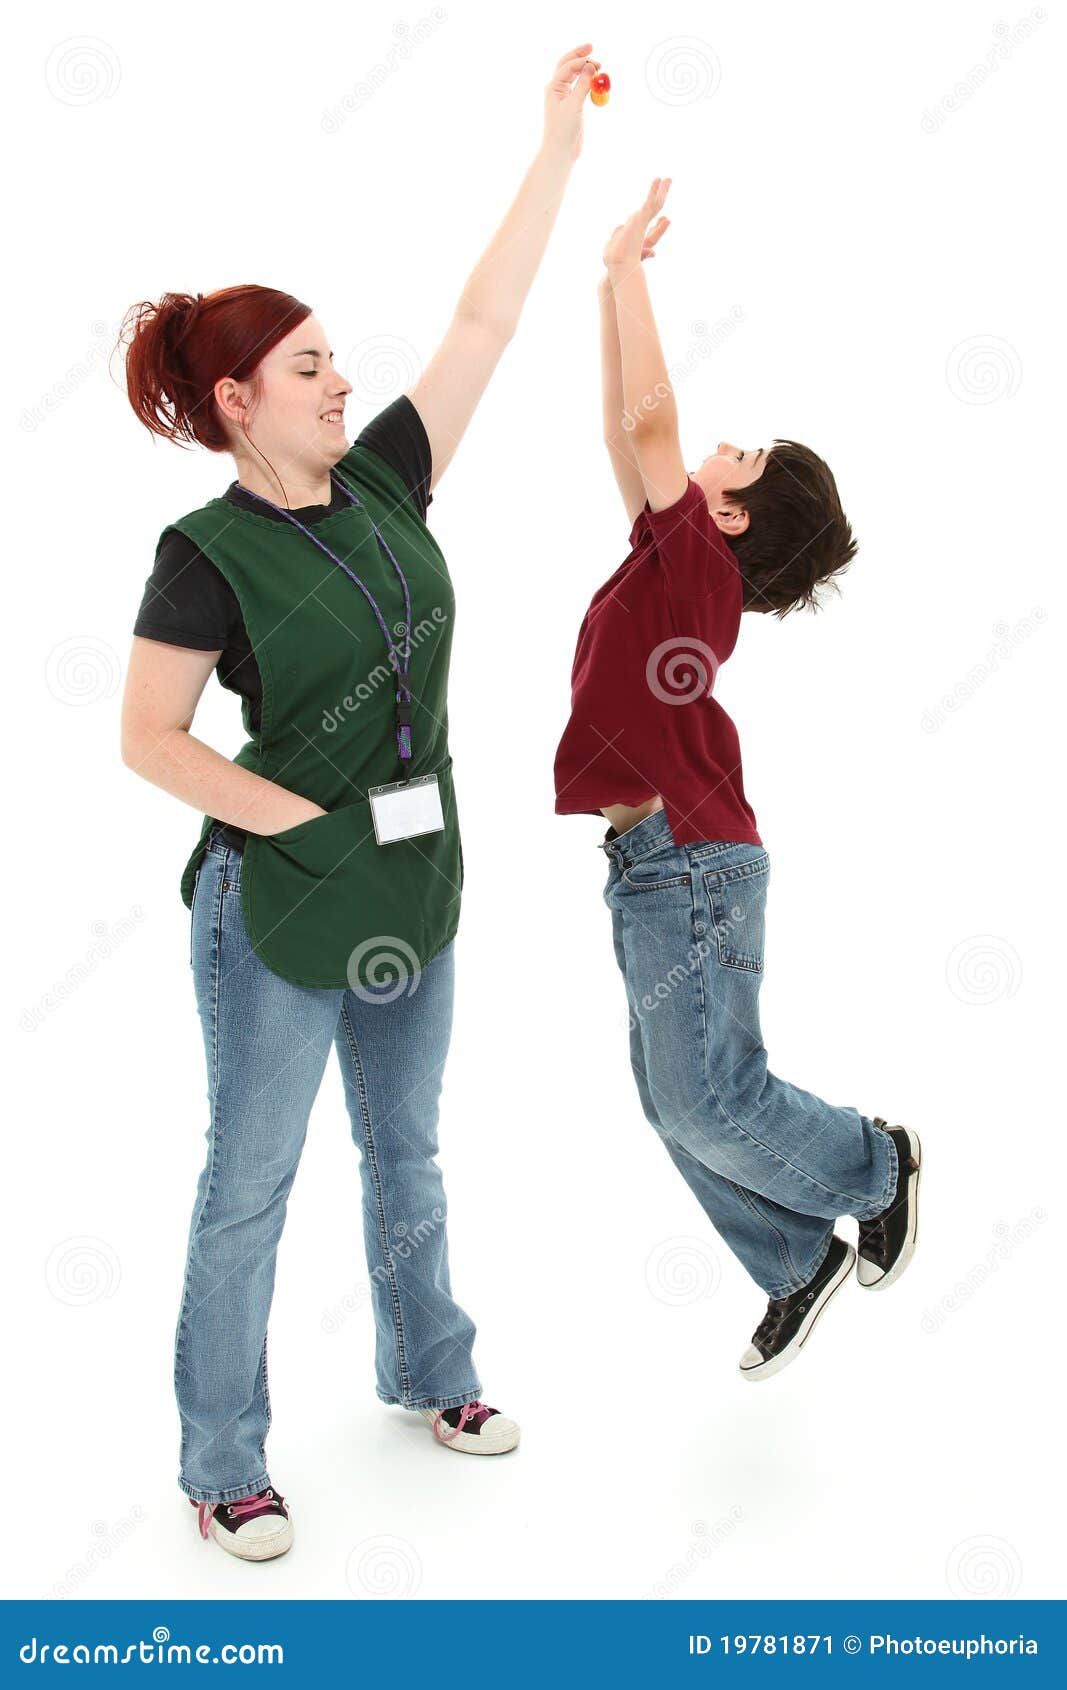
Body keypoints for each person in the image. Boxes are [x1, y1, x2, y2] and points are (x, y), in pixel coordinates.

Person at [118, 41, 604, 1560]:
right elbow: (149, 737)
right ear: (236, 401)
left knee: (408, 1147)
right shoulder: (204, 548)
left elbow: (481, 319)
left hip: (414, 882)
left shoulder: (385, 480)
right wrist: (299, 830)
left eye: (336, 360)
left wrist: (552, 156)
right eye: (311, 366)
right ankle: (222, 1466)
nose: (342, 381)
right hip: (272, 902)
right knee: (248, 1183)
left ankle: (432, 1373)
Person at [553, 178, 922, 1384]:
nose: (712, 443)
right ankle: (791, 1260)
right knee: (675, 1105)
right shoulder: (670, 557)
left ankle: (874, 1162)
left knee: (710, 1096)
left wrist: (627, 276)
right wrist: (608, 282)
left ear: (730, 509)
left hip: (692, 851)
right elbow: (627, 435)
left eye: (738, 452)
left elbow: (652, 432)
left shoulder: (700, 572)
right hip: (645, 861)